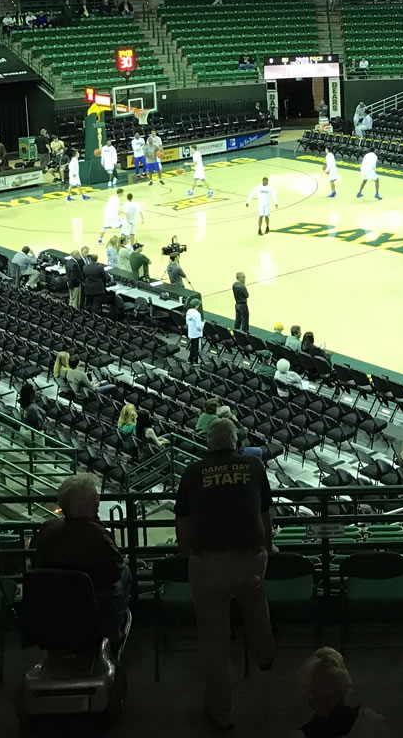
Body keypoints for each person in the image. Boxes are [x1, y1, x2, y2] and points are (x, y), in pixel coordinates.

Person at [174, 416, 275, 729]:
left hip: (209, 565)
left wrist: (185, 552)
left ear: (208, 442)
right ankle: (264, 651)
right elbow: (265, 513)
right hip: (250, 561)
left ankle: (222, 712)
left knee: (214, 641)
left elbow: (182, 521)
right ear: (236, 441)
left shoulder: (193, 471)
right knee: (254, 596)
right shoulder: (254, 466)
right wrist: (269, 547)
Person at [32, 473, 129, 639]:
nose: (98, 502)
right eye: (94, 498)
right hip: (91, 609)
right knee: (125, 572)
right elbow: (115, 570)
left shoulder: (47, 528)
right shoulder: (97, 534)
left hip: (51, 610)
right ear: (86, 505)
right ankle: (114, 630)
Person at [185, 297, 206, 363]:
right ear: (196, 306)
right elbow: (199, 325)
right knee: (196, 347)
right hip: (196, 333)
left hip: (191, 331)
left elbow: (187, 322)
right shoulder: (197, 314)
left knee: (192, 346)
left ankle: (190, 359)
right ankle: (195, 360)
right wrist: (204, 323)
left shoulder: (188, 312)